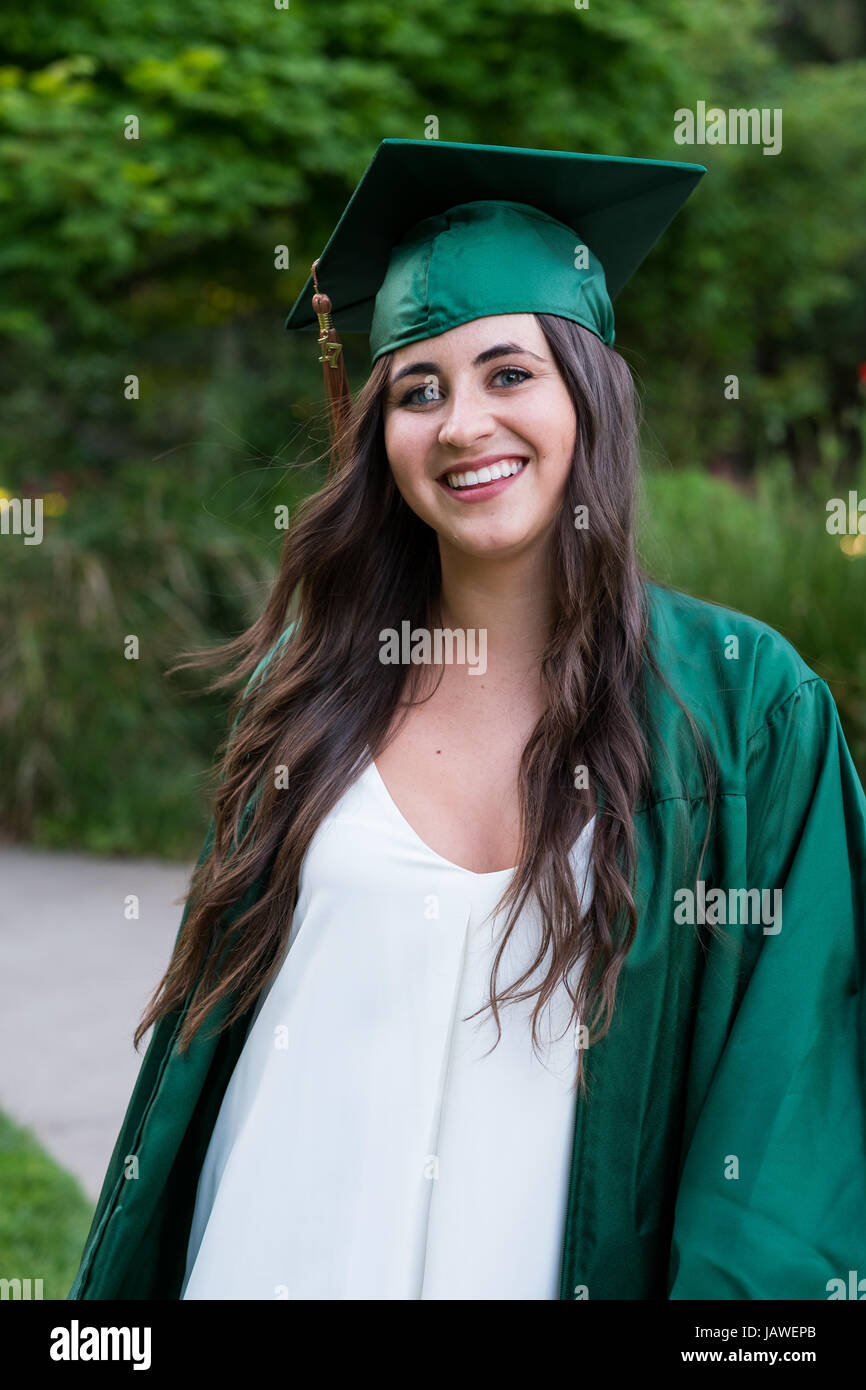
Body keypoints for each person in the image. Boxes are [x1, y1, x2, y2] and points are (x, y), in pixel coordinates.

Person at [68, 139, 866, 1301]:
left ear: (586, 390)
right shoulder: (314, 682)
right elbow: (205, 1052)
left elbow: (791, 1087)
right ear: (378, 432)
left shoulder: (743, 704)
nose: (459, 425)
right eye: (417, 389)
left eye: (507, 373)